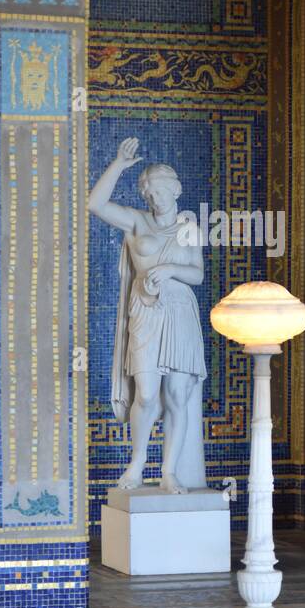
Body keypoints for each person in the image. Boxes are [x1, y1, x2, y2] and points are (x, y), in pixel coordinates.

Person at [88, 137, 206, 493]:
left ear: (176, 190)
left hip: (180, 312)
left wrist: (170, 267)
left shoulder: (189, 229)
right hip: (146, 312)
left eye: (160, 192)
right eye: (149, 193)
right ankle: (137, 464)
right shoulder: (137, 222)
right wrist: (119, 166)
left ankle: (168, 472)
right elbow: (94, 204)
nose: (155, 198)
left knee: (176, 396)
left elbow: (198, 275)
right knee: (147, 394)